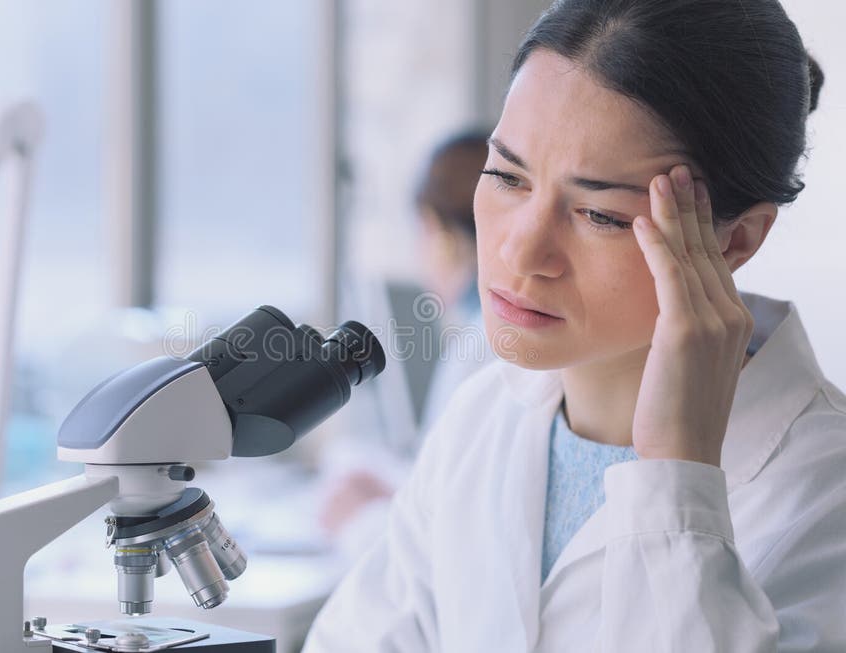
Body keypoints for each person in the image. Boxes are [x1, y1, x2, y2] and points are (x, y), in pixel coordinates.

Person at [303, 0, 845, 651]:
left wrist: (677, 473)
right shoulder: (482, 418)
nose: (521, 251)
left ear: (735, 240)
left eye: (600, 215)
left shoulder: (826, 492)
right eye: (507, 176)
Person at [318, 131, 491, 551]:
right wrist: (397, 489)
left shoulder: (484, 348)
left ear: (437, 232)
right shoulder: (486, 337)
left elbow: (447, 538)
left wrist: (355, 523)